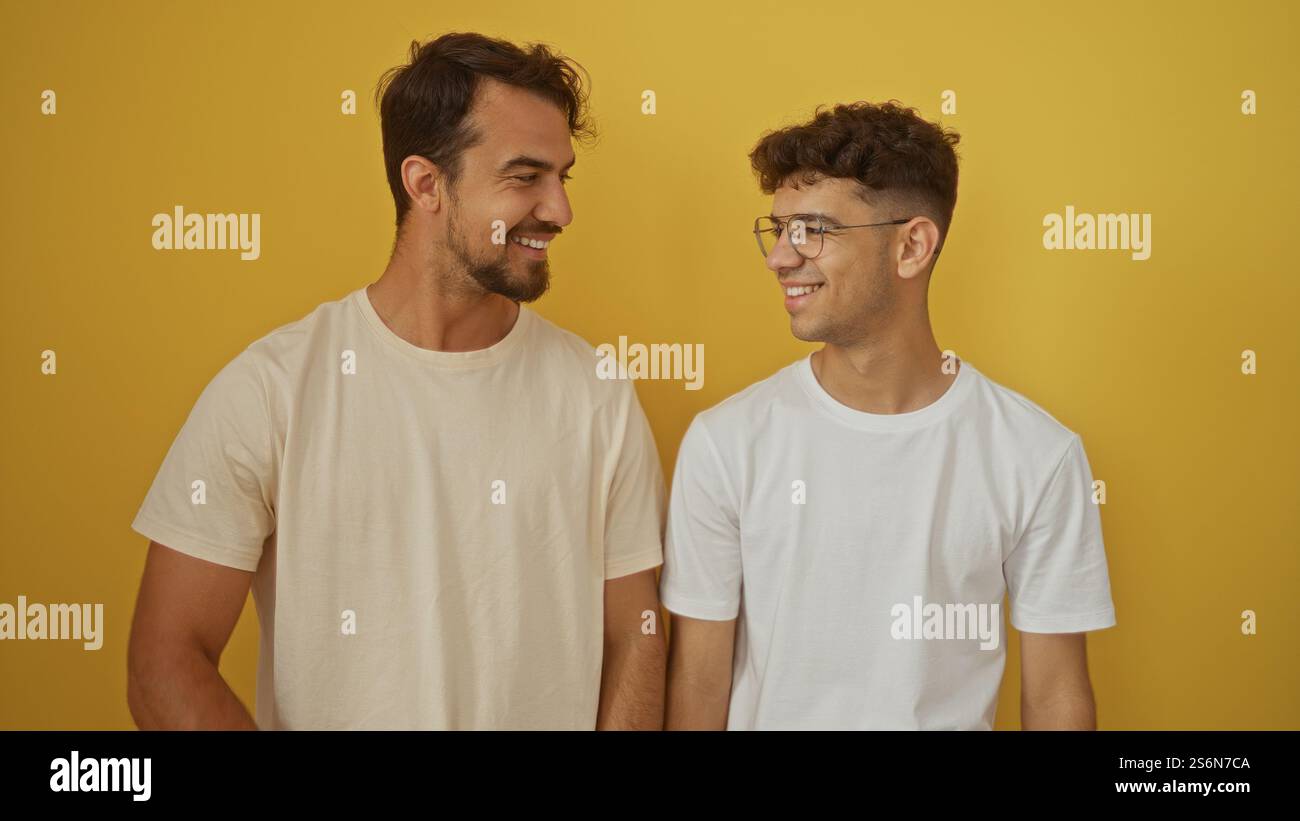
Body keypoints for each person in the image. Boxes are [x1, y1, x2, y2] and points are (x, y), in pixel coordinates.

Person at [127, 32, 667, 730]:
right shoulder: (272, 390)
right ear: (425, 184)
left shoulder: (598, 395)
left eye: (563, 176)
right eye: (525, 176)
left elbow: (639, 636)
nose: (560, 210)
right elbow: (164, 662)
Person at [661, 100, 1117, 730]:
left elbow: (1056, 697)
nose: (780, 258)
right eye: (779, 230)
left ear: (912, 246)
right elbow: (697, 684)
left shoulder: (1037, 454)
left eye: (814, 230)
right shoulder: (726, 443)